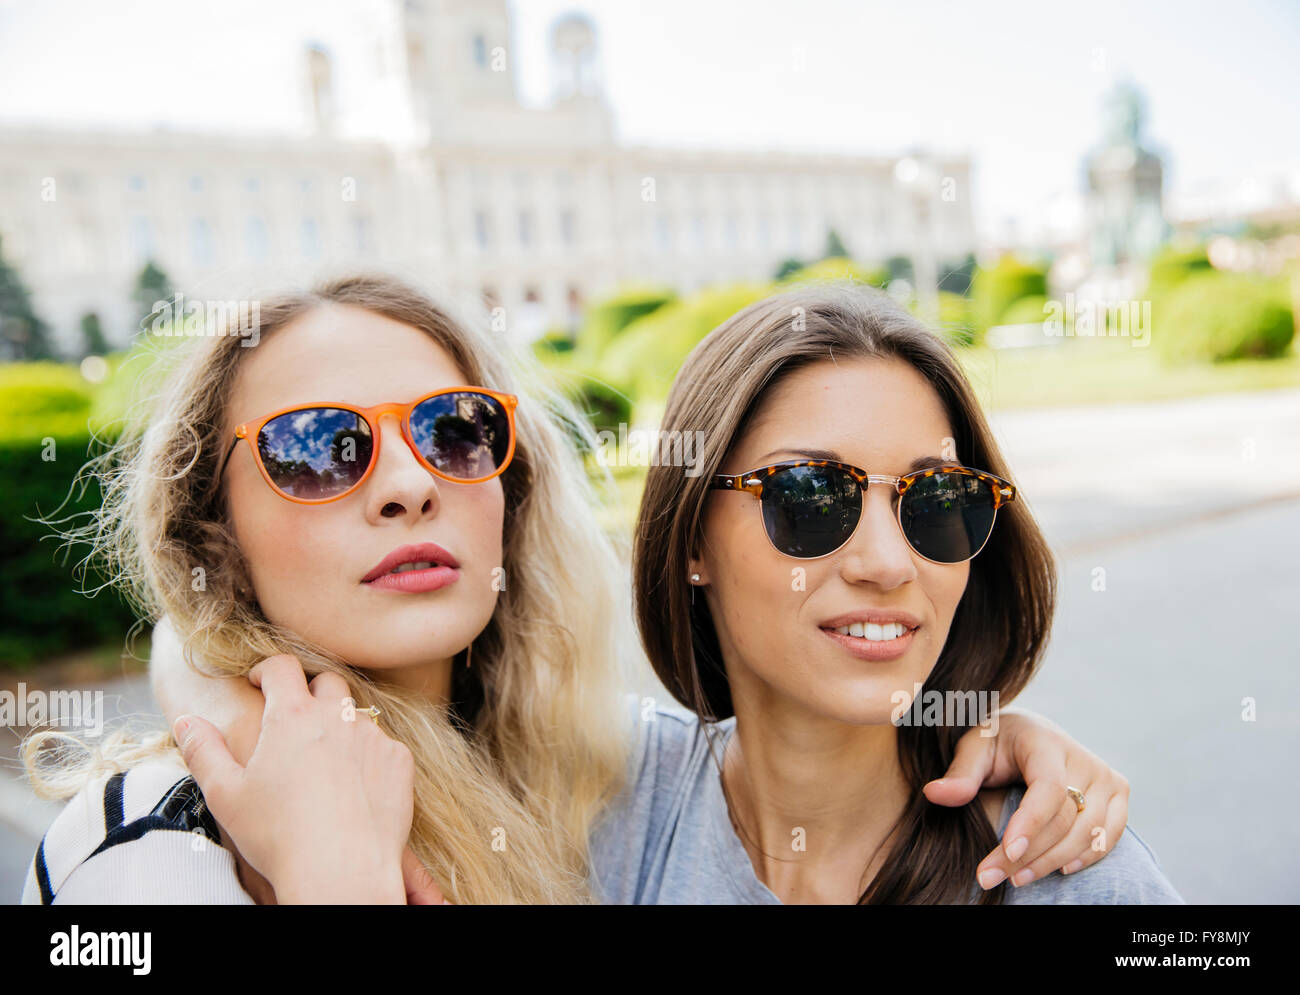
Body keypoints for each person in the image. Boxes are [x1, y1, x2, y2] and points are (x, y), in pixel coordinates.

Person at [24, 274, 1138, 904]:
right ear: (208, 536)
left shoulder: (573, 779)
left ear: (511, 489)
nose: (410, 483)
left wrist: (973, 723)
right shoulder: (148, 858)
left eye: (456, 432)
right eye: (317, 448)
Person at [593, 280, 1182, 903]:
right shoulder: (601, 804)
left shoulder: (1069, 875)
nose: (888, 562)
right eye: (810, 495)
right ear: (692, 543)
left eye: (936, 499)